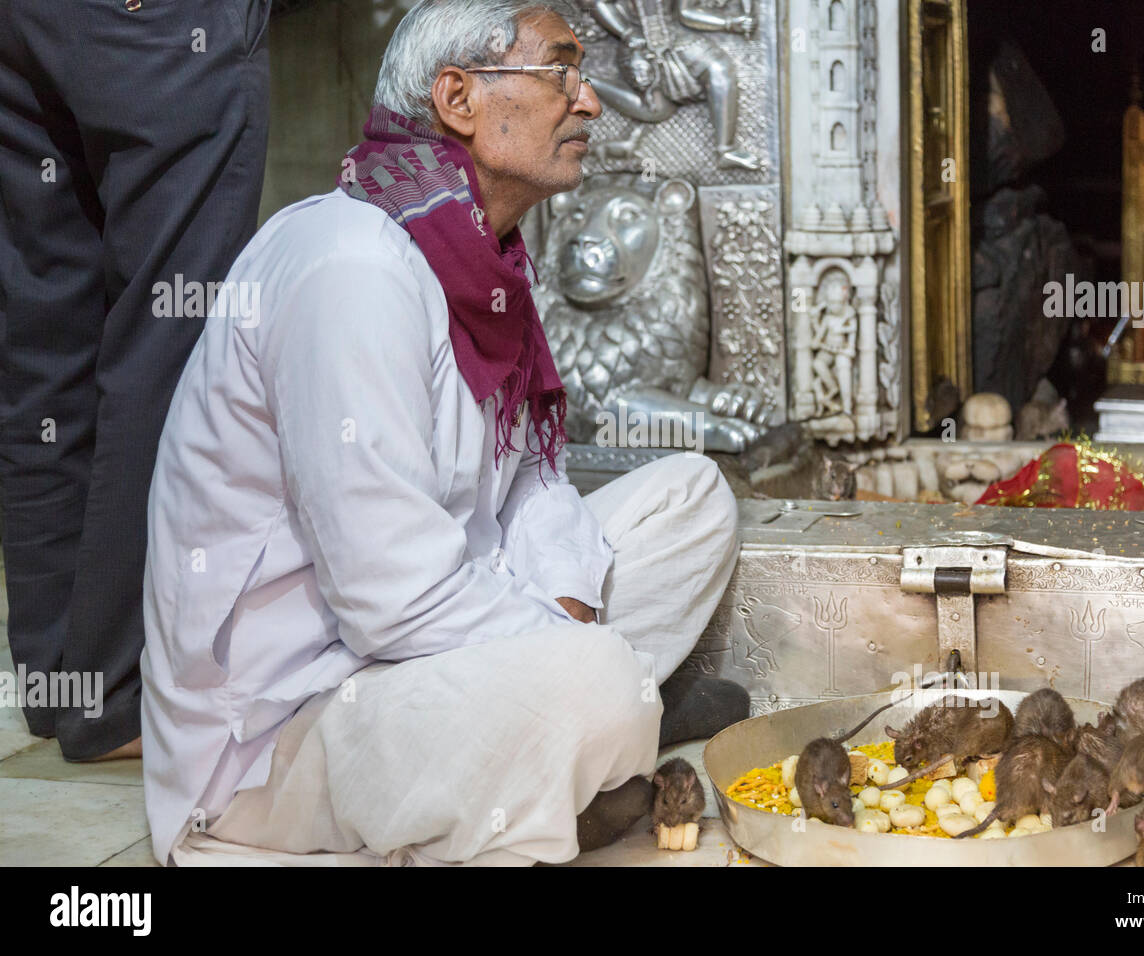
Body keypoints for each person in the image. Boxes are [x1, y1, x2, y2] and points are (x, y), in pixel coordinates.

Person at [141, 0, 747, 866]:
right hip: (286, 731)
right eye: (561, 71)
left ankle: (562, 749)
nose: (590, 102)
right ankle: (584, 742)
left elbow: (533, 483)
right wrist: (571, 642)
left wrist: (561, 602)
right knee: (602, 682)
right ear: (459, 100)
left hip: (423, 631)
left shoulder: (476, 254)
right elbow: (390, 600)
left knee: (692, 498)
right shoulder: (351, 267)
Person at [0, 0, 271, 761]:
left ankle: (61, 683)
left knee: (47, 337)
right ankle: (117, 694)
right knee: (170, 340)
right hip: (159, 24)